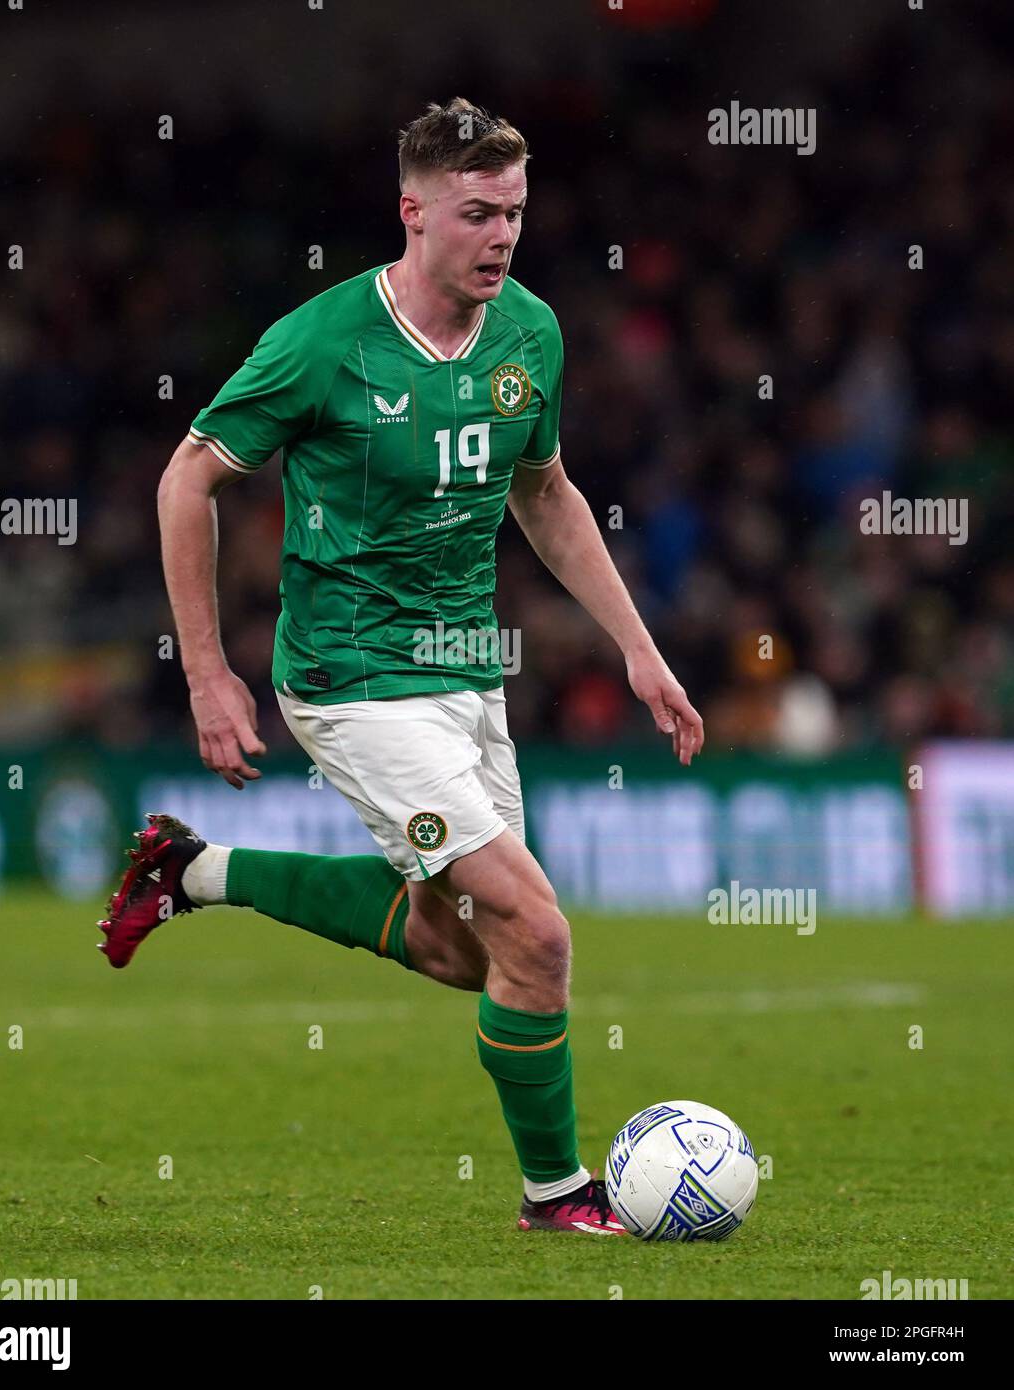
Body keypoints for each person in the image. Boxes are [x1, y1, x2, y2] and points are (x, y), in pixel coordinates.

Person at [97, 97, 704, 1234]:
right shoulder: (321, 343)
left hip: (467, 673)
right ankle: (557, 1194)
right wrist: (206, 675)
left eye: (515, 212)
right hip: (351, 676)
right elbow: (188, 480)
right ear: (412, 212)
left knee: (459, 952)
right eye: (478, 213)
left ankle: (191, 870)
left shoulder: (531, 332)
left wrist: (640, 650)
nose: (502, 236)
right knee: (537, 929)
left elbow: (545, 490)